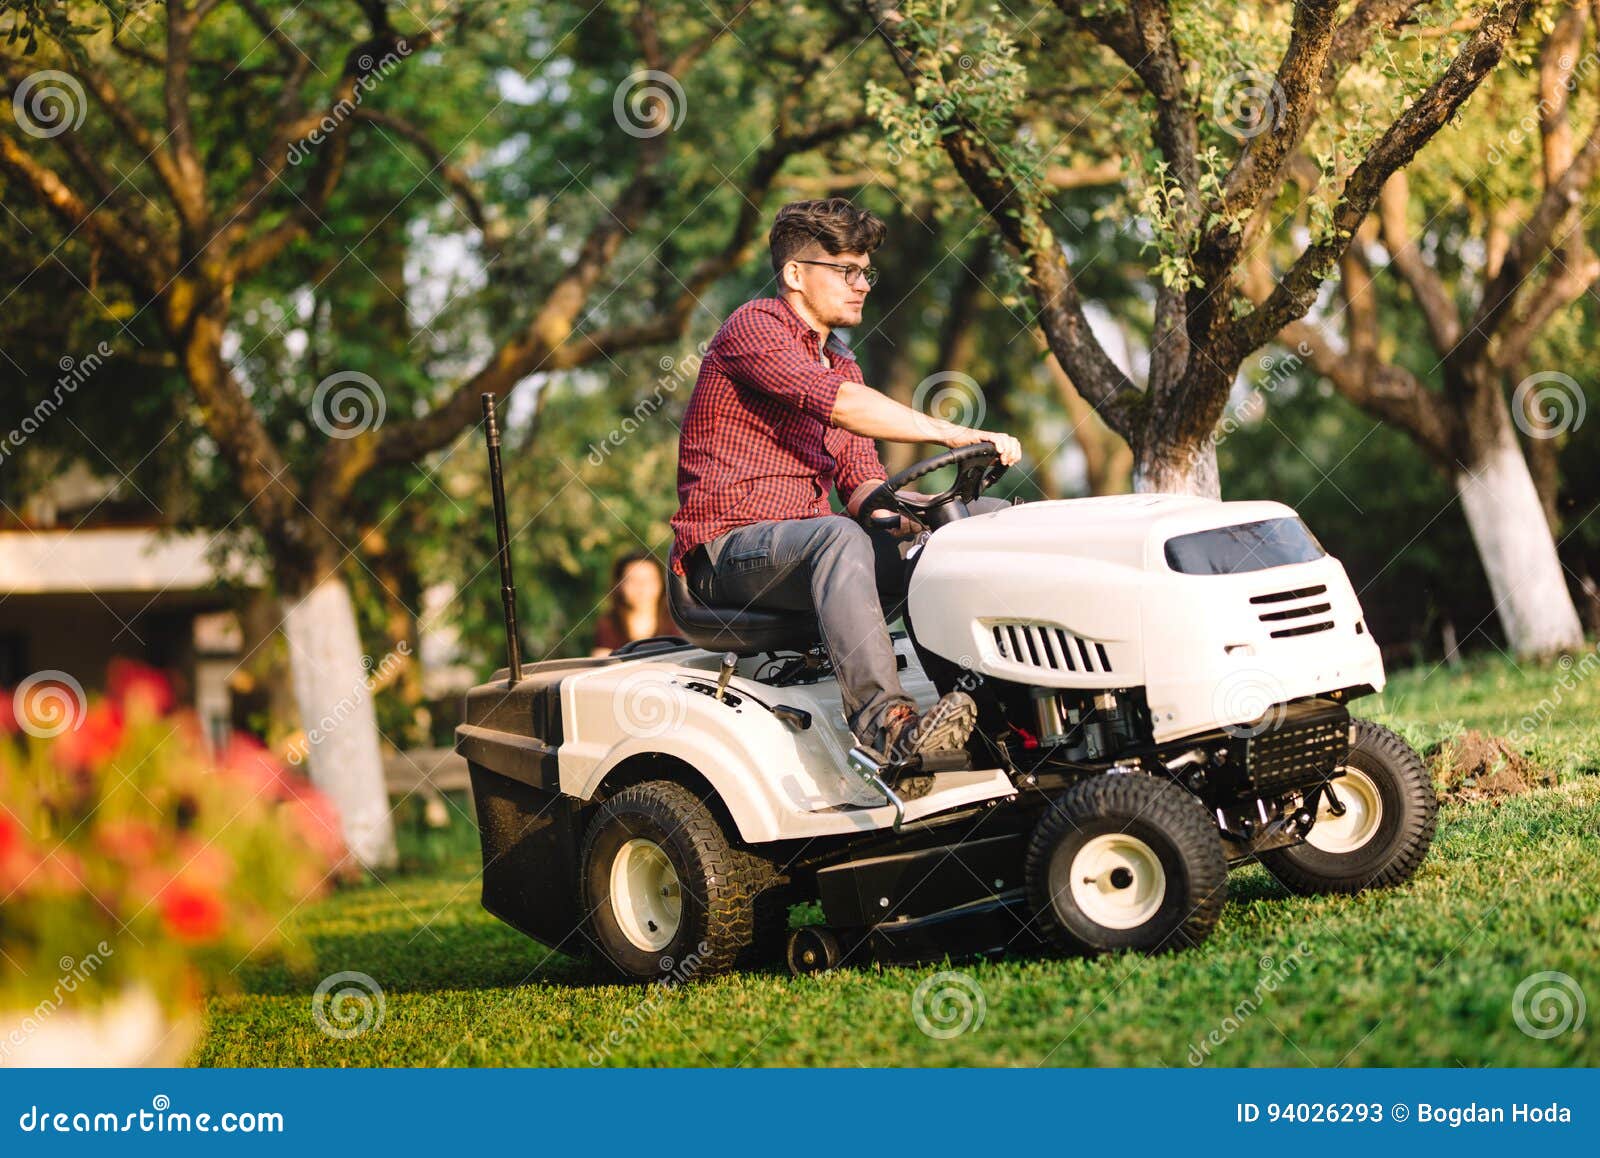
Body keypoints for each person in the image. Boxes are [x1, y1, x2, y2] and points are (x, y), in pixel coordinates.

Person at [669, 198, 1022, 789]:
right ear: (795, 275)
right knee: (837, 537)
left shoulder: (841, 361)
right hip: (724, 559)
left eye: (865, 272)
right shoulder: (754, 328)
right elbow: (841, 408)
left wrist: (939, 520)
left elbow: (865, 490)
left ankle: (1003, 710)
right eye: (846, 271)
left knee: (982, 526)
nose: (861, 285)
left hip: (811, 551)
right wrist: (956, 431)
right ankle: (889, 729)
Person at [591, 552, 683, 656]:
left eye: (649, 580)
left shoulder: (678, 621)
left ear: (661, 583)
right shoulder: (608, 624)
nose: (641, 588)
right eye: (632, 580)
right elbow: (602, 660)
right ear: (619, 586)